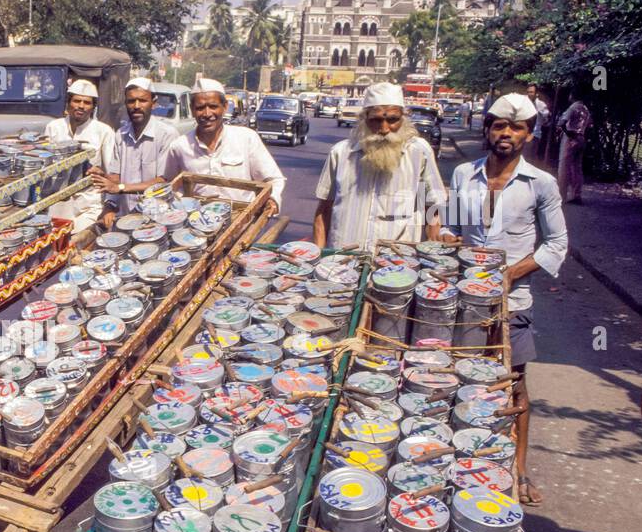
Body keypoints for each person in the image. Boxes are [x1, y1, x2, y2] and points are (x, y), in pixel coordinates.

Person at [438, 92, 568, 506]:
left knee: (512, 386)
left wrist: (508, 274)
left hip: (514, 304)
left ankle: (518, 471)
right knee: (457, 381)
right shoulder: (463, 174)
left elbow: (557, 245)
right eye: (499, 126)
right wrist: (445, 240)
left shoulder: (540, 184)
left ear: (528, 134)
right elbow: (452, 227)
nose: (506, 134)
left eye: (516, 128)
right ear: (488, 129)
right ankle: (458, 460)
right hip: (464, 301)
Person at [312, 81, 444, 251]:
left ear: (403, 119)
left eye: (393, 120)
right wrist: (317, 257)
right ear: (364, 119)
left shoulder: (419, 152)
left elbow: (433, 208)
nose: (384, 128)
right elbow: (323, 211)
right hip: (343, 263)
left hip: (396, 266)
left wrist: (432, 253)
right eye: (376, 120)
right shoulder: (341, 153)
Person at [162, 78, 284, 214]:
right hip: (196, 226)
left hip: (242, 224)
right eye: (200, 108)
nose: (207, 114)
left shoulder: (247, 138)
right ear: (192, 110)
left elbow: (273, 179)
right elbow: (172, 186)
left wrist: (272, 200)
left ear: (225, 107)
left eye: (213, 106)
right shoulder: (179, 146)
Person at [93, 77, 180, 229]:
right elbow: (116, 177)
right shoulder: (121, 134)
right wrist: (105, 181)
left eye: (142, 101)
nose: (136, 106)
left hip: (159, 219)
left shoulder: (167, 134)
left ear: (154, 103)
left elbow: (162, 181)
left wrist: (121, 188)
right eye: (131, 101)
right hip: (128, 218)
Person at [43, 79, 114, 232]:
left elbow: (112, 175)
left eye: (87, 103)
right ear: (69, 103)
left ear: (93, 107)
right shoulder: (54, 127)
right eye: (77, 101)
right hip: (57, 201)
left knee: (76, 243)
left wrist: (100, 172)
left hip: (88, 205)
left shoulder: (104, 131)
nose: (81, 106)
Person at [556, 94, 592, 204]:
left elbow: (561, 123)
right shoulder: (585, 109)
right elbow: (590, 125)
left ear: (572, 96)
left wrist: (568, 133)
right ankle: (577, 195)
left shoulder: (572, 108)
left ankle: (561, 194)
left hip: (570, 138)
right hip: (581, 138)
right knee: (576, 168)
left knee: (564, 167)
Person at [524, 84, 550, 164]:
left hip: (534, 135)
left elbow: (547, 119)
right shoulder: (524, 103)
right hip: (523, 134)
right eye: (528, 92)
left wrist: (539, 125)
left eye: (531, 92)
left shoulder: (541, 105)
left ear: (536, 93)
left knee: (529, 159)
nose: (529, 94)